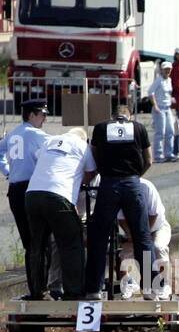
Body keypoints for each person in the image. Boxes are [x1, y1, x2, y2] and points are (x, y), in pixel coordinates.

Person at [83, 107, 153, 299]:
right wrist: (135, 177)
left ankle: (94, 290)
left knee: (98, 237)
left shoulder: (100, 128)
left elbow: (95, 156)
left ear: (112, 116)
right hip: (132, 183)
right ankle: (150, 288)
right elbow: (149, 160)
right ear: (128, 116)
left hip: (108, 184)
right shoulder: (139, 128)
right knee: (142, 236)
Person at [24, 127, 95, 299]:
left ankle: (37, 291)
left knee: (37, 246)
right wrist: (78, 183)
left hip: (32, 195)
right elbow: (91, 172)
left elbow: (38, 159)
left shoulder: (50, 141)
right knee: (71, 243)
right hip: (58, 196)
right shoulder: (82, 146)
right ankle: (74, 291)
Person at [0, 100, 51, 288]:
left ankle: (34, 287)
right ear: (32, 115)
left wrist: (8, 172)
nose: (45, 119)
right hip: (31, 188)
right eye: (42, 115)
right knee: (41, 241)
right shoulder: (38, 135)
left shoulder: (13, 133)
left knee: (29, 243)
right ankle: (41, 287)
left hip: (15, 190)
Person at [117, 178, 171, 300]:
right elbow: (121, 218)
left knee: (158, 247)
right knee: (125, 253)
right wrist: (130, 234)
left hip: (157, 227)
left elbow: (154, 214)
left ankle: (163, 283)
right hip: (134, 230)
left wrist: (144, 235)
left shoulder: (147, 186)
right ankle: (128, 283)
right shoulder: (121, 188)